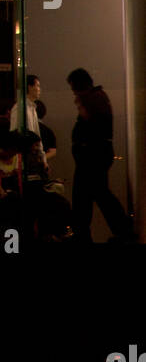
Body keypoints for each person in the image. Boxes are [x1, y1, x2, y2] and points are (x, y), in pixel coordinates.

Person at [66, 68, 136, 242]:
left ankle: (87, 232)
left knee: (89, 195)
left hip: (91, 156)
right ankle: (120, 229)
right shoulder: (99, 97)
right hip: (95, 154)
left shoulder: (94, 100)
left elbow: (91, 123)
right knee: (96, 193)